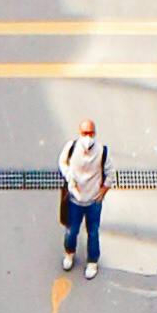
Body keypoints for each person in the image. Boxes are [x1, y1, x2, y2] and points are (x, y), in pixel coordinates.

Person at [56, 118, 110, 277]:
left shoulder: (102, 151)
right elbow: (62, 162)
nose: (88, 137)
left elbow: (111, 173)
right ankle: (69, 252)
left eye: (91, 133)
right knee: (71, 231)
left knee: (93, 232)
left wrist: (103, 191)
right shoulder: (71, 147)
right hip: (74, 200)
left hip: (93, 201)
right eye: (85, 133)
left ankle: (92, 261)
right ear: (80, 133)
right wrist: (69, 177)